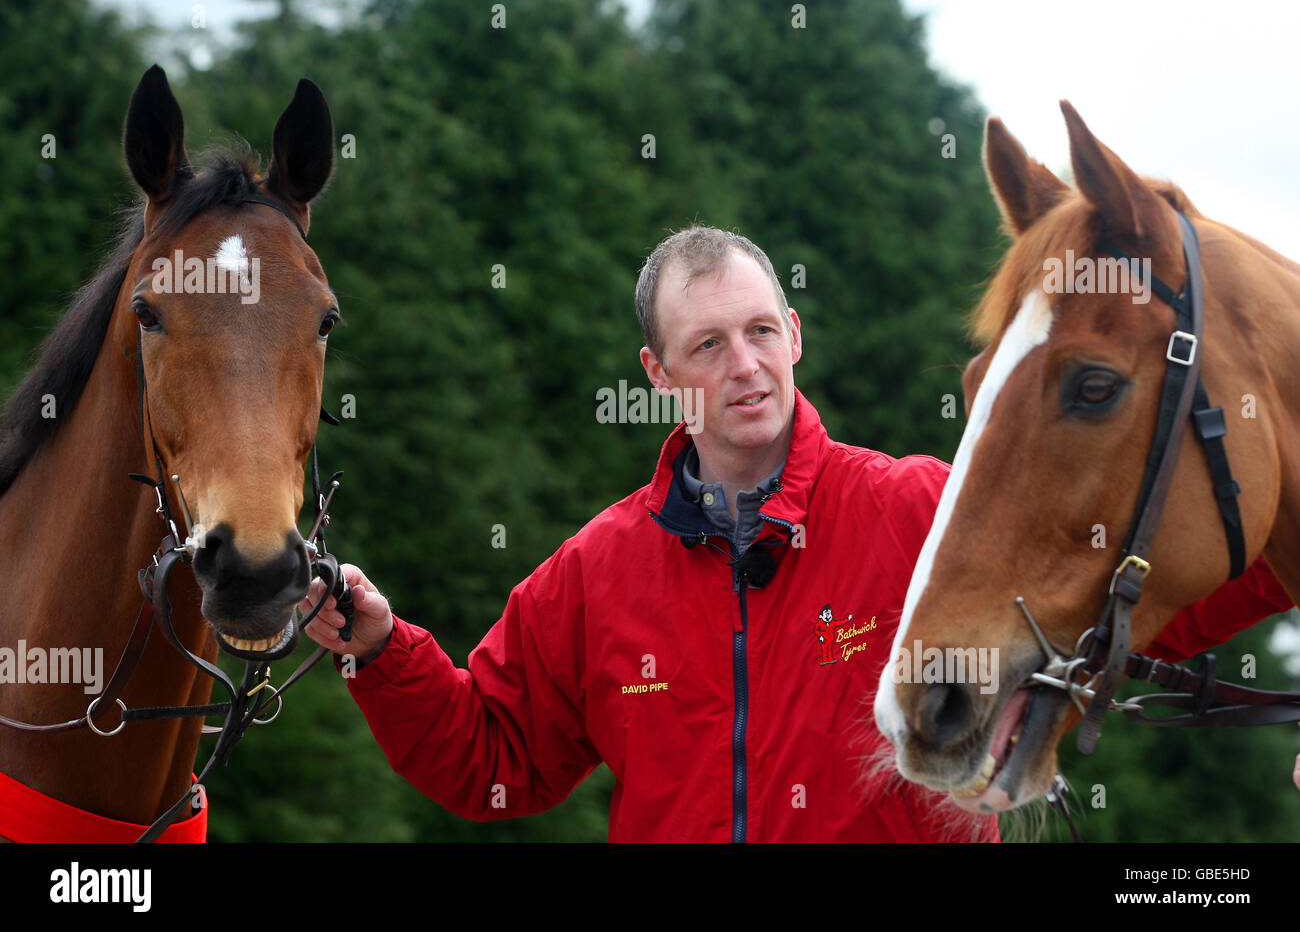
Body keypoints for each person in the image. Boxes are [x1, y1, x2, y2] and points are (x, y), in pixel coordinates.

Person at [301, 226, 1294, 841]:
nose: (744, 365)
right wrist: (384, 652)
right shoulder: (595, 570)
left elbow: (1156, 600)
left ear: (795, 335)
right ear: (657, 374)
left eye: (761, 330)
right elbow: (492, 761)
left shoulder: (920, 513)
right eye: (707, 344)